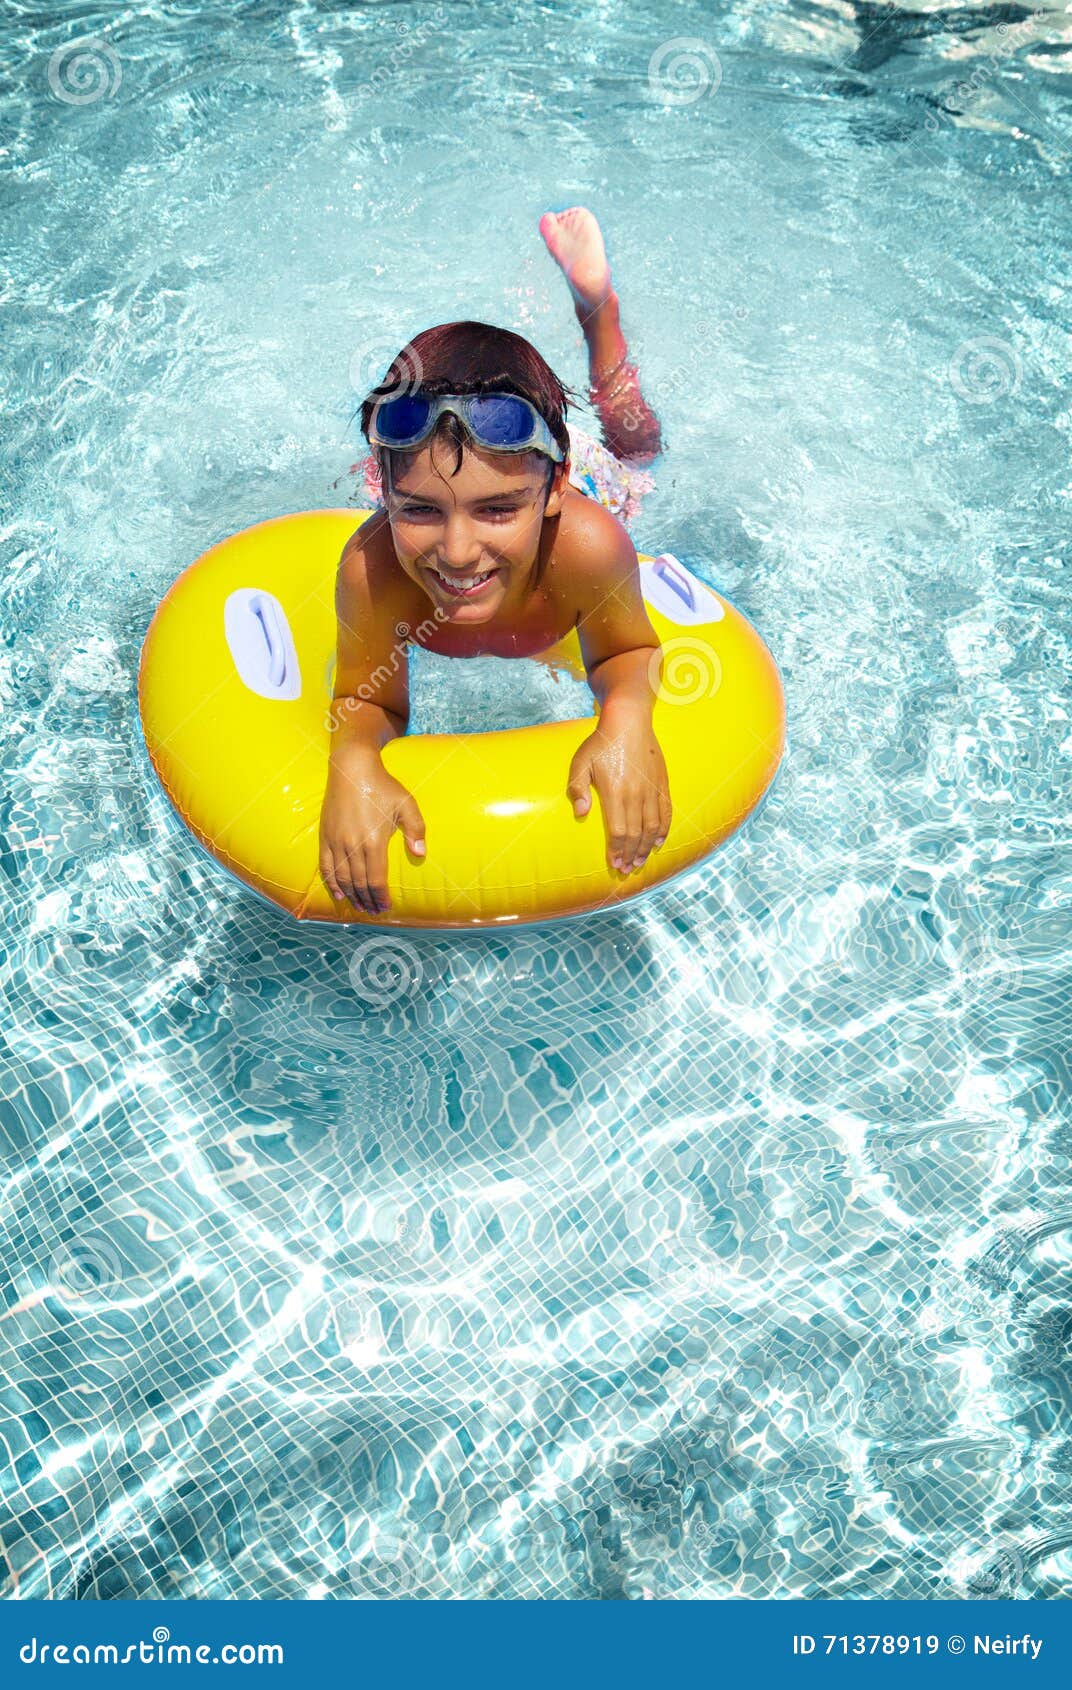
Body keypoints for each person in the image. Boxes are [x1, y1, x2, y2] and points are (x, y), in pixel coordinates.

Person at [320, 207, 671, 916]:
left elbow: (628, 653)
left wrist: (627, 717)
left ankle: (596, 306)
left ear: (549, 488)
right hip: (518, 467)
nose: (456, 551)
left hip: (596, 476)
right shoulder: (371, 571)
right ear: (380, 488)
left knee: (636, 438)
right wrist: (354, 760)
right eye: (418, 509)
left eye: (497, 511)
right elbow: (366, 699)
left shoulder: (587, 548)